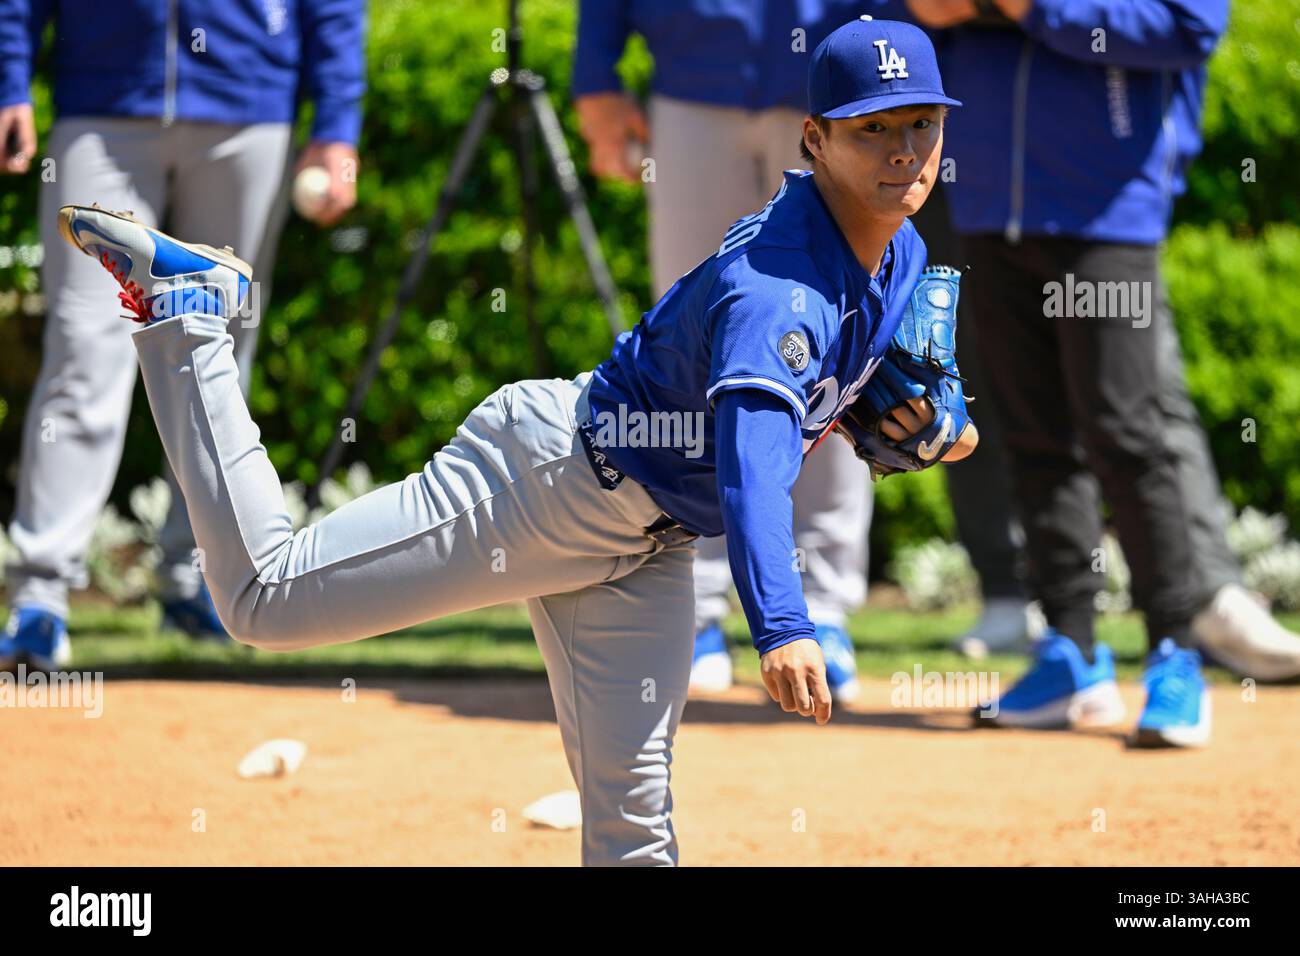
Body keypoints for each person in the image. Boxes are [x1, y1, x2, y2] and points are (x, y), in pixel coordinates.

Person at [53, 17, 973, 865]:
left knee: (634, 817)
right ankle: (188, 317)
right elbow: (751, 467)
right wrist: (782, 625)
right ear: (813, 138)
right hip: (546, 485)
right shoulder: (777, 289)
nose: (903, 153)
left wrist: (930, 428)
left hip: (648, 544)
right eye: (872, 130)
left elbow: (861, 391)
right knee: (262, 600)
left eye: (921, 126)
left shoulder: (896, 251)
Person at [885, 0, 1300, 748]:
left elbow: (1191, 23)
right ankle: (1071, 653)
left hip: (1107, 207)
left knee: (1128, 431)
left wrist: (1037, 7)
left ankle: (1176, 653)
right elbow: (883, 26)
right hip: (984, 199)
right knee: (1032, 434)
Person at [0, 0, 366, 672]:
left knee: (220, 347)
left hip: (248, 104)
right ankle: (40, 599)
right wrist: (10, 78)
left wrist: (338, 125)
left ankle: (198, 581)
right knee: (84, 347)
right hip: (103, 103)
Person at [572, 0, 875, 700]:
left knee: (828, 351)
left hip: (830, 86)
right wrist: (597, 76)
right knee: (696, 355)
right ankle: (696, 602)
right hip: (693, 82)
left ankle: (822, 605)